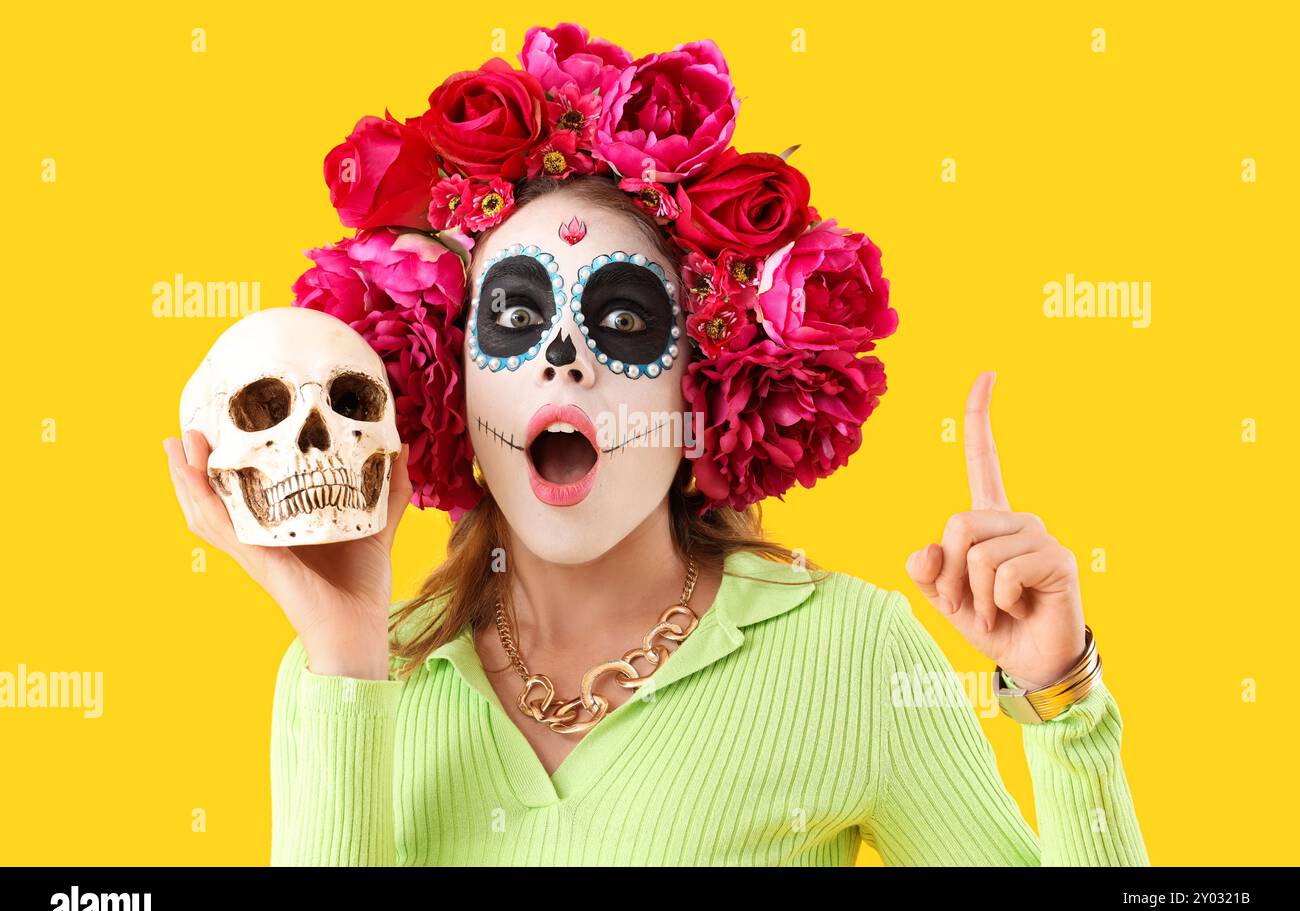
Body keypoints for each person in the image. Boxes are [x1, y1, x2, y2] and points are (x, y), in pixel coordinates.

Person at [163, 23, 1148, 866]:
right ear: (448, 381)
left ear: (707, 383)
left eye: (626, 324)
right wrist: (346, 651)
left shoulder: (850, 651)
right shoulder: (340, 677)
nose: (563, 358)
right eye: (513, 317)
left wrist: (1063, 697)